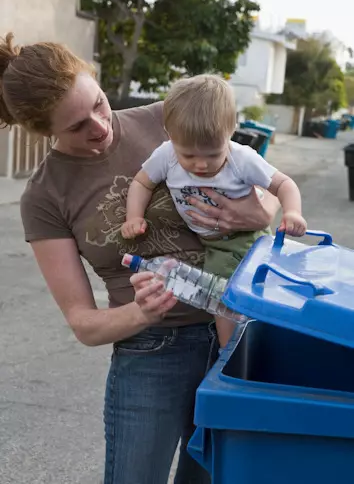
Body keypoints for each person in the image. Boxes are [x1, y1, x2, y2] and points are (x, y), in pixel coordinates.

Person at [0, 32, 280, 484]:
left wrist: (255, 209)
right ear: (43, 131)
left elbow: (263, 187)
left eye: (98, 103)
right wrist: (140, 311)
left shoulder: (163, 119)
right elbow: (83, 323)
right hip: (154, 355)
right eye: (76, 126)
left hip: (235, 336)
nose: (99, 126)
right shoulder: (45, 196)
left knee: (215, 477)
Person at [121, 74, 307, 347]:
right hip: (207, 239)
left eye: (212, 155)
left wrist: (293, 213)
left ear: (230, 132)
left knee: (224, 295)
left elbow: (284, 184)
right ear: (170, 136)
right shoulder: (167, 154)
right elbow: (141, 182)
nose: (201, 165)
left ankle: (229, 352)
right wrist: (134, 217)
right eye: (189, 156)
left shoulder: (241, 158)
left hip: (240, 239)